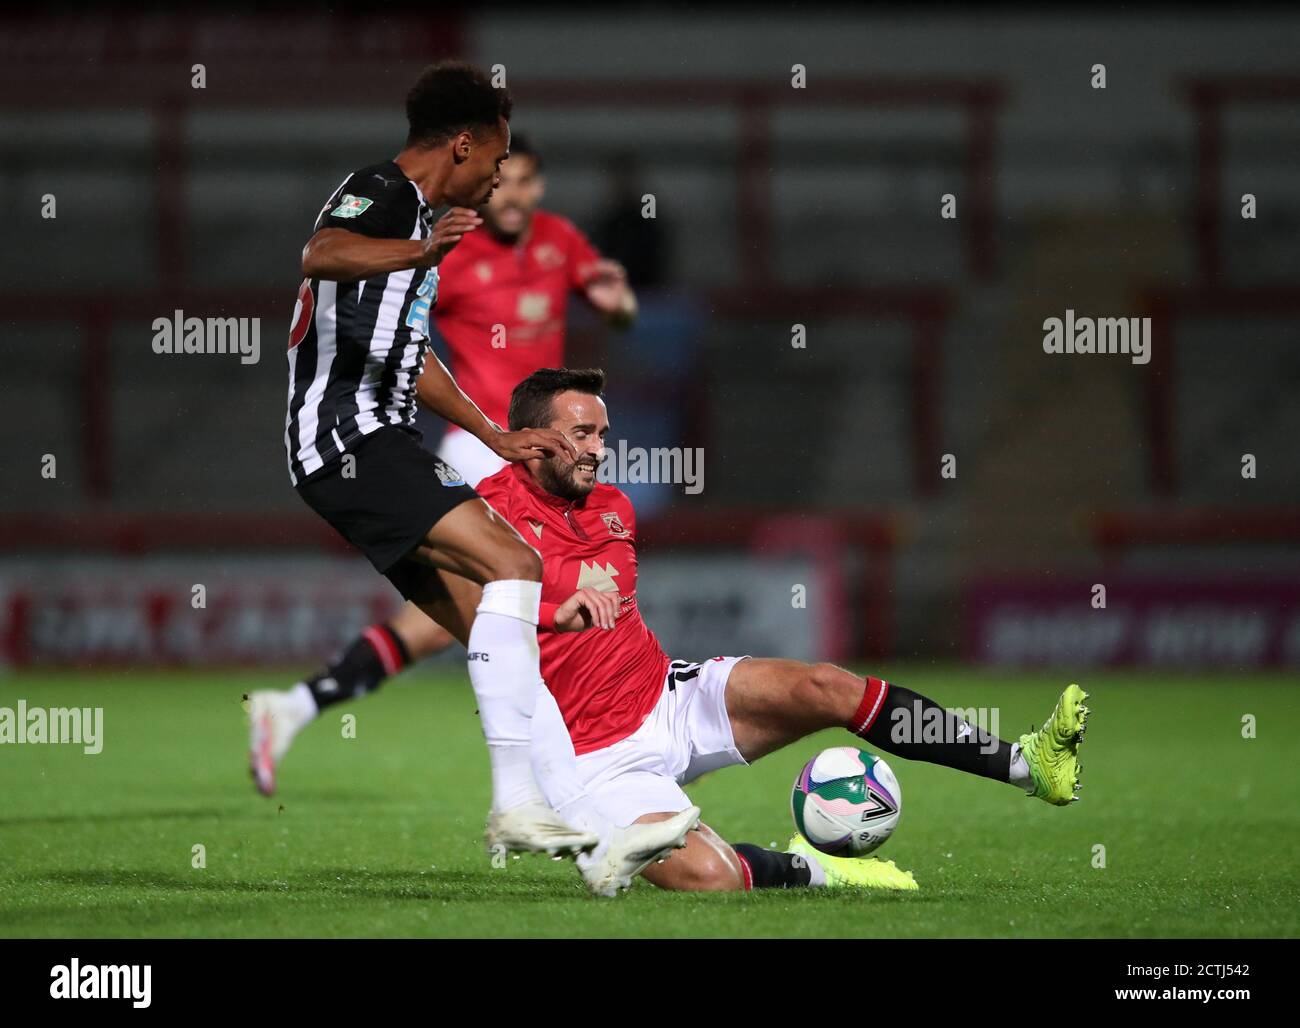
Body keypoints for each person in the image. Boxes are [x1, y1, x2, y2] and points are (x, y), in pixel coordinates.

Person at [263, 61, 695, 892]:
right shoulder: (384, 194)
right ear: (462, 144)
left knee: (500, 634)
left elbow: (407, 356)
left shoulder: (422, 228)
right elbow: (319, 252)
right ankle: (514, 804)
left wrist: (493, 434)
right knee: (519, 566)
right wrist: (421, 248)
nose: (500, 176)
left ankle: (599, 842)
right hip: (347, 438)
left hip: (377, 438)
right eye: (495, 159)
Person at [473, 367, 1090, 891]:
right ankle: (817, 869)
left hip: (670, 697)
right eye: (581, 433)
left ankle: (1028, 765)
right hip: (592, 757)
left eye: (603, 434)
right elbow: (475, 607)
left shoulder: (614, 507)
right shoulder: (484, 517)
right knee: (710, 877)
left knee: (826, 687)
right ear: (530, 439)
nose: (597, 449)